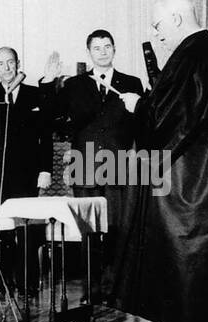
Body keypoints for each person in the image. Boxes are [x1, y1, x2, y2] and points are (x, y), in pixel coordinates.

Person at [112, 0, 208, 322]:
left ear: (176, 19)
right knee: (190, 250)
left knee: (182, 248)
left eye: (158, 26)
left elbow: (172, 116)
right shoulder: (206, 51)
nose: (155, 34)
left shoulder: (193, 53)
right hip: (196, 170)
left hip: (186, 176)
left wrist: (138, 106)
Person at [0, 46, 59, 292]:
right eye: (1, 63)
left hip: (25, 172)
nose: (6, 68)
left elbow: (46, 131)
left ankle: (27, 283)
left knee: (24, 227)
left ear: (18, 63)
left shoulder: (34, 93)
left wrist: (45, 169)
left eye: (11, 62)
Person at [55, 30, 144, 292]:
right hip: (84, 162)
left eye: (107, 47)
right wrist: (49, 81)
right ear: (89, 52)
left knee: (117, 225)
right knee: (89, 227)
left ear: (114, 50)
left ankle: (115, 287)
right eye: (97, 48)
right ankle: (91, 288)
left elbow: (142, 124)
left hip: (118, 162)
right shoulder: (74, 84)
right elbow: (54, 115)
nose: (103, 52)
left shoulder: (132, 83)